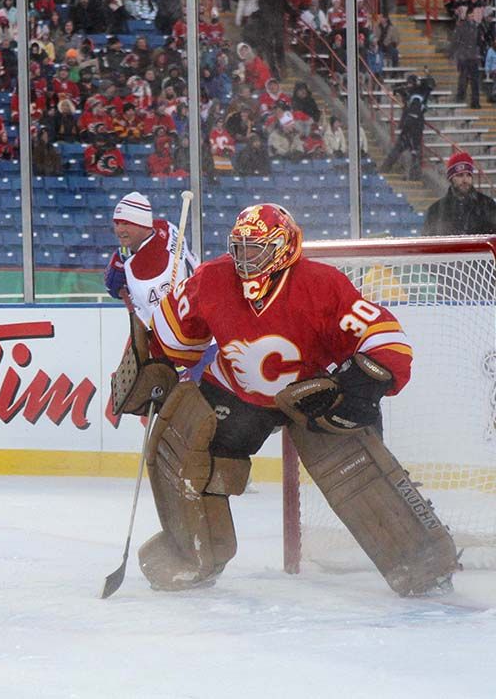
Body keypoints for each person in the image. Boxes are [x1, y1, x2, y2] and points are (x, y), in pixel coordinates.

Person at [132, 203, 457, 597]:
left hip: (313, 397)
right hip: (236, 393)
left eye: (256, 249)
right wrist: (148, 367)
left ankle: (421, 561)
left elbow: (385, 338)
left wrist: (362, 383)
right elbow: (171, 340)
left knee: (363, 474)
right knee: (185, 454)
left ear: (284, 245)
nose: (245, 259)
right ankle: (192, 556)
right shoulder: (212, 279)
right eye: (240, 249)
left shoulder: (321, 284)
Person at [102, 192, 197, 327]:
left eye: (125, 223)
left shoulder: (144, 275)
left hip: (189, 333)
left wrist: (126, 289)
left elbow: (162, 329)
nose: (119, 229)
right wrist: (126, 257)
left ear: (143, 224)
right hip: (198, 305)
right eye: (116, 223)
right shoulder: (166, 227)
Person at [423, 152, 496, 235]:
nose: (465, 180)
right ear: (451, 179)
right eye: (460, 175)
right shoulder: (436, 210)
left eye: (468, 175)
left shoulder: (488, 205)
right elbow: (429, 242)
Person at [380, 70, 434, 180]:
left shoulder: (419, 94)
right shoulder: (413, 94)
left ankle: (414, 176)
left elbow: (430, 83)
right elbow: (405, 100)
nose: (408, 85)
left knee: (414, 152)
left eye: (410, 83)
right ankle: (384, 169)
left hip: (414, 127)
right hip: (411, 125)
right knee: (401, 150)